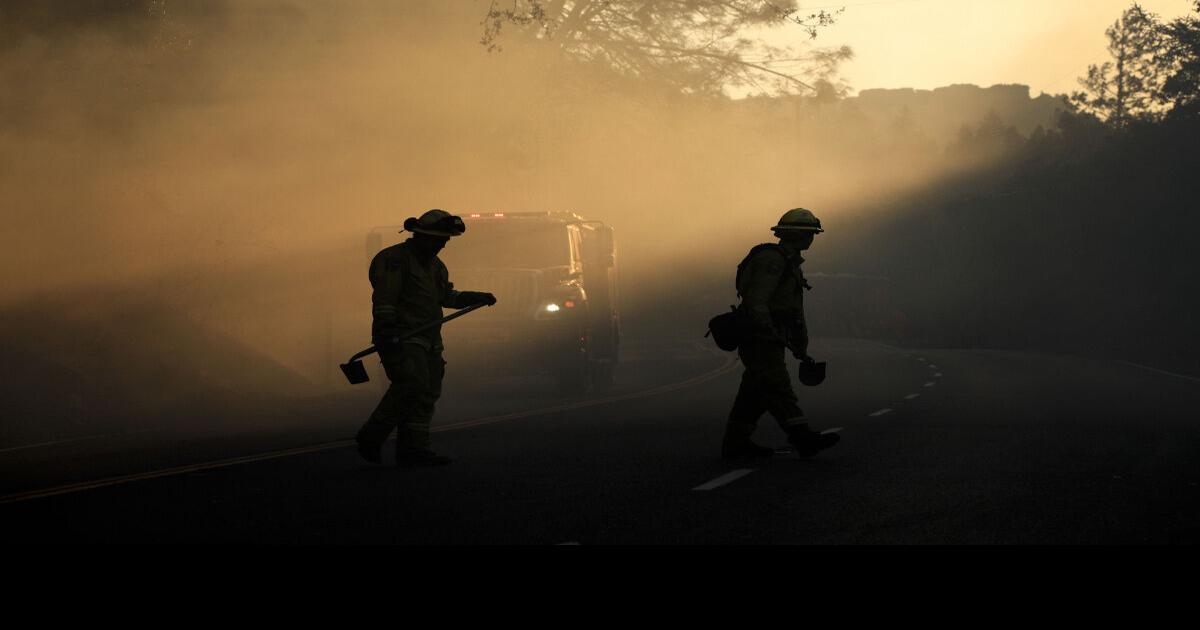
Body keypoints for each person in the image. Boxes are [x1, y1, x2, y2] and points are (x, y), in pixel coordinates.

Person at [355, 209, 497, 467]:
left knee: (427, 392)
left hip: (429, 339)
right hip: (401, 337)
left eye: (446, 240)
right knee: (411, 385)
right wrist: (387, 332)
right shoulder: (393, 260)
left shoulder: (435, 266)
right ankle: (370, 437)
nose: (443, 245)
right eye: (439, 239)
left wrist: (474, 297)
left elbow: (445, 297)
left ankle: (414, 451)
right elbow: (385, 300)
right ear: (423, 236)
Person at [723, 208, 840, 459]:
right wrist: (767, 329)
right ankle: (802, 437)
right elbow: (757, 300)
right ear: (796, 234)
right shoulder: (773, 260)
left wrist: (800, 344)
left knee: (754, 393)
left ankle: (736, 444)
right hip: (760, 337)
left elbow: (793, 309)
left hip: (773, 335)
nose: (812, 239)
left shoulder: (790, 262)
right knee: (778, 386)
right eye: (810, 234)